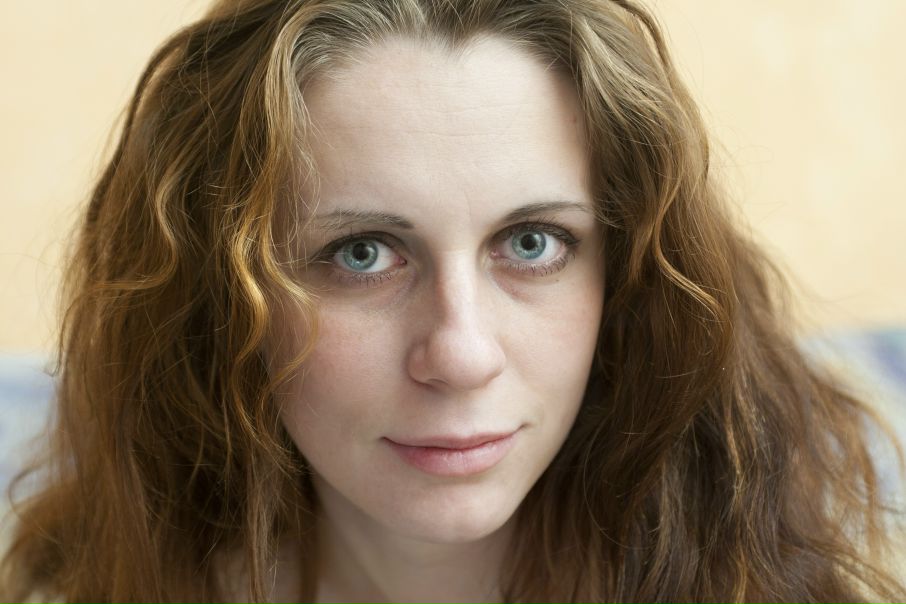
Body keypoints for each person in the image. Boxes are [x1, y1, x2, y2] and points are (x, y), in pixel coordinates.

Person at [1, 0, 904, 601]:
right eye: (361, 253)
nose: (463, 354)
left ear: (631, 275)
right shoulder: (92, 582)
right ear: (218, 296)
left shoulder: (768, 566)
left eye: (533, 243)